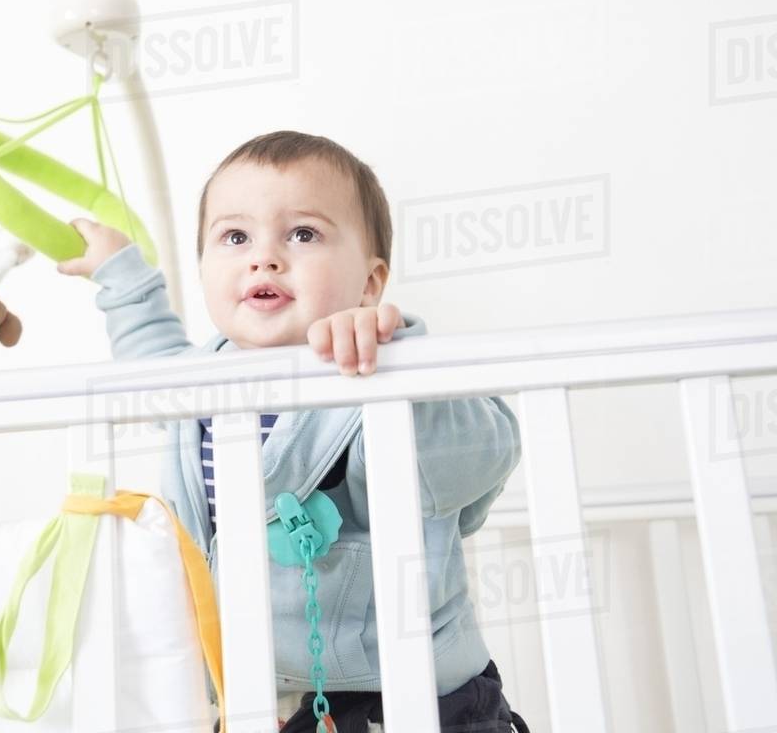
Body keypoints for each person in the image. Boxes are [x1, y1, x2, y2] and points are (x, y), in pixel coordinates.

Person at [57, 131, 530, 732]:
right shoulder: (202, 379)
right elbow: (149, 358)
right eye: (235, 237)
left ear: (370, 281)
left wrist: (398, 356)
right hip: (254, 693)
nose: (264, 258)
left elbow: (474, 460)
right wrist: (121, 273)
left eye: (302, 234)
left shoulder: (371, 372)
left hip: (408, 692)